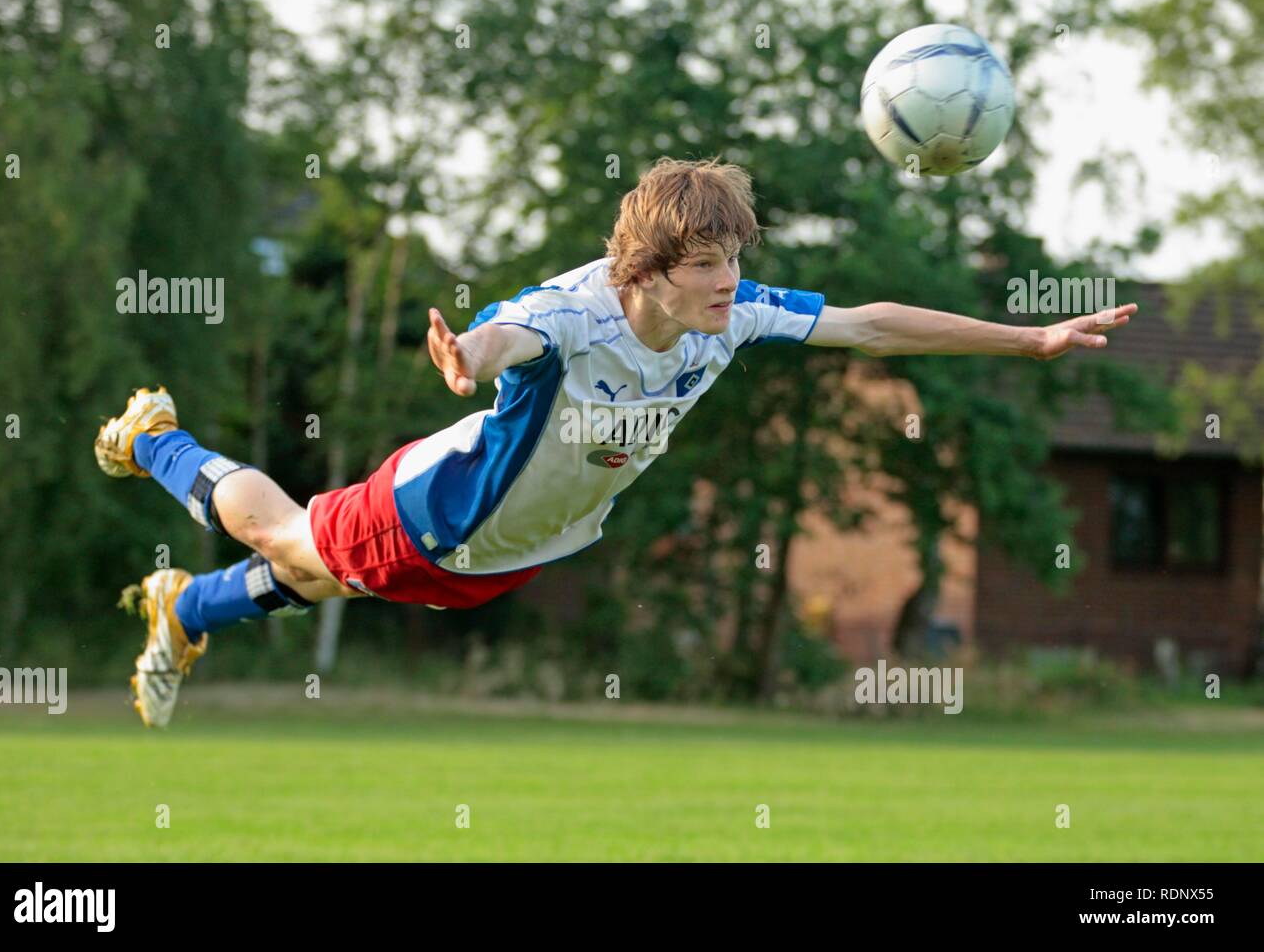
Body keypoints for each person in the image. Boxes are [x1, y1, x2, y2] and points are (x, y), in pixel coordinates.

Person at [96, 156, 1134, 727]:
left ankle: (186, 605)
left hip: (532, 540)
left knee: (332, 585)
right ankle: (158, 441)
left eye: (734, 253)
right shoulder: (576, 313)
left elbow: (869, 321)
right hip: (446, 507)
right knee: (288, 542)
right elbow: (510, 332)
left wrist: (1029, 336)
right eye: (707, 260)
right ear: (648, 269)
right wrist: (471, 356)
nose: (730, 276)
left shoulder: (736, 311)